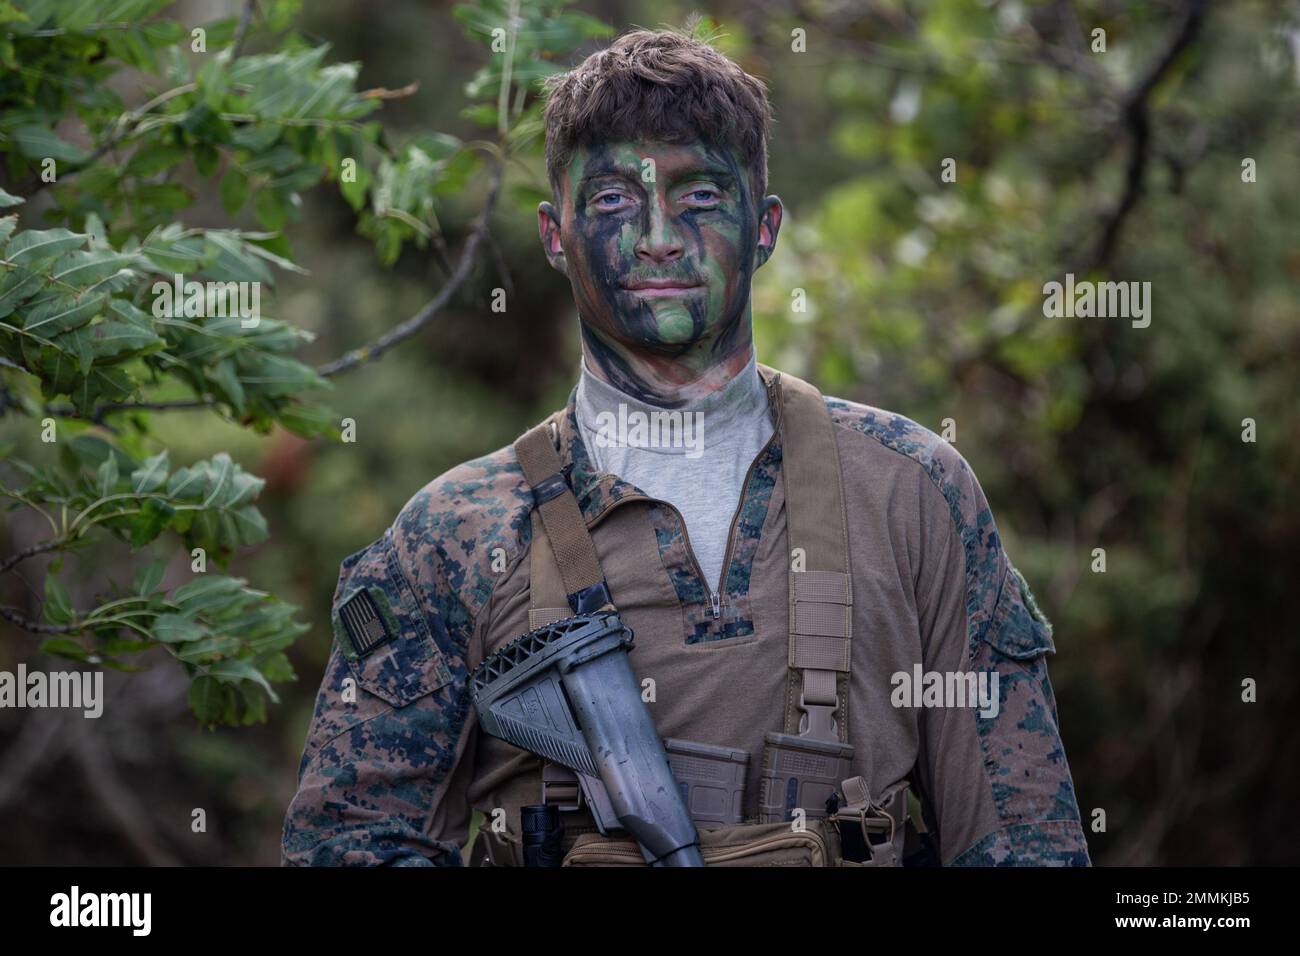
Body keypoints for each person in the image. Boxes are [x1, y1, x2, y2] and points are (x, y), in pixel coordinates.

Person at [281, 28, 1090, 867]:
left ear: (765, 227)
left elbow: (1026, 840)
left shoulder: (915, 491)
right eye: (611, 201)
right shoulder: (453, 534)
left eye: (700, 196)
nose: (659, 236)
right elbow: (347, 844)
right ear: (555, 236)